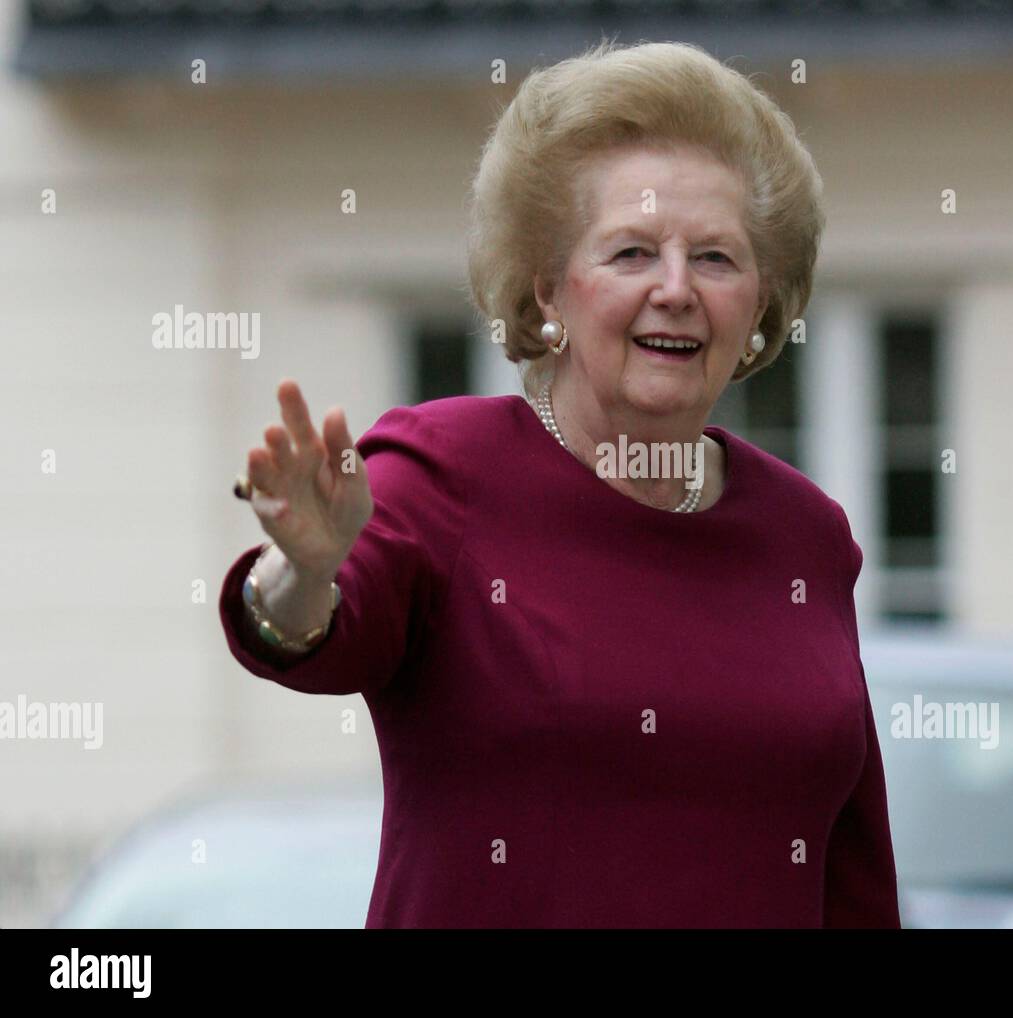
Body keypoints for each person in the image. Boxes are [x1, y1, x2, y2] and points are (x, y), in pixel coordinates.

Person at [219, 38, 900, 929]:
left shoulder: (806, 532)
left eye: (717, 259)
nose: (676, 289)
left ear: (763, 301)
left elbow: (854, 874)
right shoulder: (445, 471)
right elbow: (313, 637)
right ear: (548, 290)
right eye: (630, 253)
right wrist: (303, 570)